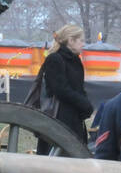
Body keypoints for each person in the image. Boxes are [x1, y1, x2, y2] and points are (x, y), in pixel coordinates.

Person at [35, 23, 91, 154]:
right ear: (71, 40)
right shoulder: (55, 59)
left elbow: (78, 88)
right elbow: (60, 89)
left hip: (74, 118)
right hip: (59, 119)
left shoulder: (76, 61)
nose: (83, 44)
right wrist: (83, 103)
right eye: (81, 40)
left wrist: (85, 107)